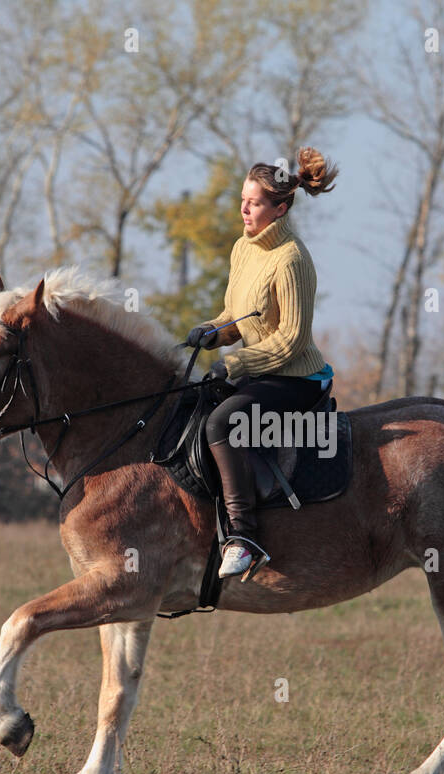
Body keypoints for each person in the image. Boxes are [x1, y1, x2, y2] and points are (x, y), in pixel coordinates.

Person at [185, 146, 338, 578]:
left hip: (297, 378)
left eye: (253, 203)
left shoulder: (292, 259)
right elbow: (237, 316)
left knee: (221, 423)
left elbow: (291, 341)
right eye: (241, 201)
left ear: (280, 207)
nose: (243, 210)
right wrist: (212, 332)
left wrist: (234, 364)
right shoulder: (242, 248)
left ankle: (246, 538)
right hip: (259, 369)